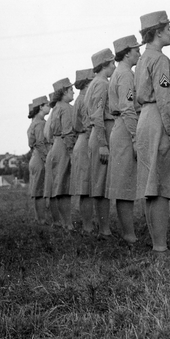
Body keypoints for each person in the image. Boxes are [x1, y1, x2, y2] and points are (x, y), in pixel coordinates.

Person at [135, 10, 170, 253]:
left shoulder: (143, 59)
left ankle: (157, 244)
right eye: (167, 29)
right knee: (161, 185)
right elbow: (165, 100)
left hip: (146, 118)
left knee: (151, 186)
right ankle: (160, 246)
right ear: (157, 33)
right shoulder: (160, 60)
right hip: (159, 119)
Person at [107, 35, 142, 245]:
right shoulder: (126, 74)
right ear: (127, 52)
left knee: (123, 183)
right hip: (125, 128)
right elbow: (128, 108)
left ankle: (128, 233)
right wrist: (136, 137)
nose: (139, 53)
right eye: (136, 50)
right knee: (125, 184)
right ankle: (129, 235)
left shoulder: (119, 73)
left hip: (120, 127)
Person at [86, 49, 116, 237]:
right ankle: (104, 230)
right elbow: (97, 116)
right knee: (101, 185)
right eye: (112, 63)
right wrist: (103, 143)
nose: (114, 66)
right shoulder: (101, 84)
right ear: (105, 65)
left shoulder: (94, 83)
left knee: (101, 183)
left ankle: (104, 228)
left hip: (99, 134)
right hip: (101, 134)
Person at [45, 78, 76, 230]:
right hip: (64, 146)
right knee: (64, 187)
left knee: (59, 186)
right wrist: (71, 152)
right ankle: (68, 224)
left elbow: (48, 133)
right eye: (71, 90)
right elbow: (68, 132)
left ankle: (64, 222)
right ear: (64, 92)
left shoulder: (55, 108)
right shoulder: (67, 108)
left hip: (55, 146)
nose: (73, 92)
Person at [70, 69, 94, 233]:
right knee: (87, 187)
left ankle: (88, 224)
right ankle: (88, 226)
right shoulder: (86, 99)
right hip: (86, 139)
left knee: (86, 187)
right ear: (87, 83)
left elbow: (75, 125)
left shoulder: (79, 99)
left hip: (81, 139)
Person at [27, 95, 51, 224]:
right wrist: (47, 159)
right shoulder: (41, 123)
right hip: (40, 159)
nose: (49, 107)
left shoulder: (34, 122)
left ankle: (39, 219)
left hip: (35, 158)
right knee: (40, 191)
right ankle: (41, 220)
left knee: (38, 190)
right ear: (41, 107)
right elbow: (40, 143)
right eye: (47, 105)